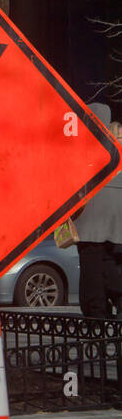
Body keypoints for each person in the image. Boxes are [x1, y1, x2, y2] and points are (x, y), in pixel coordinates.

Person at [75, 103, 122, 319]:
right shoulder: (116, 149)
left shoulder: (82, 146)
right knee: (109, 263)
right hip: (115, 221)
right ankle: (113, 301)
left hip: (88, 221)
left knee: (91, 267)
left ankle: (96, 312)